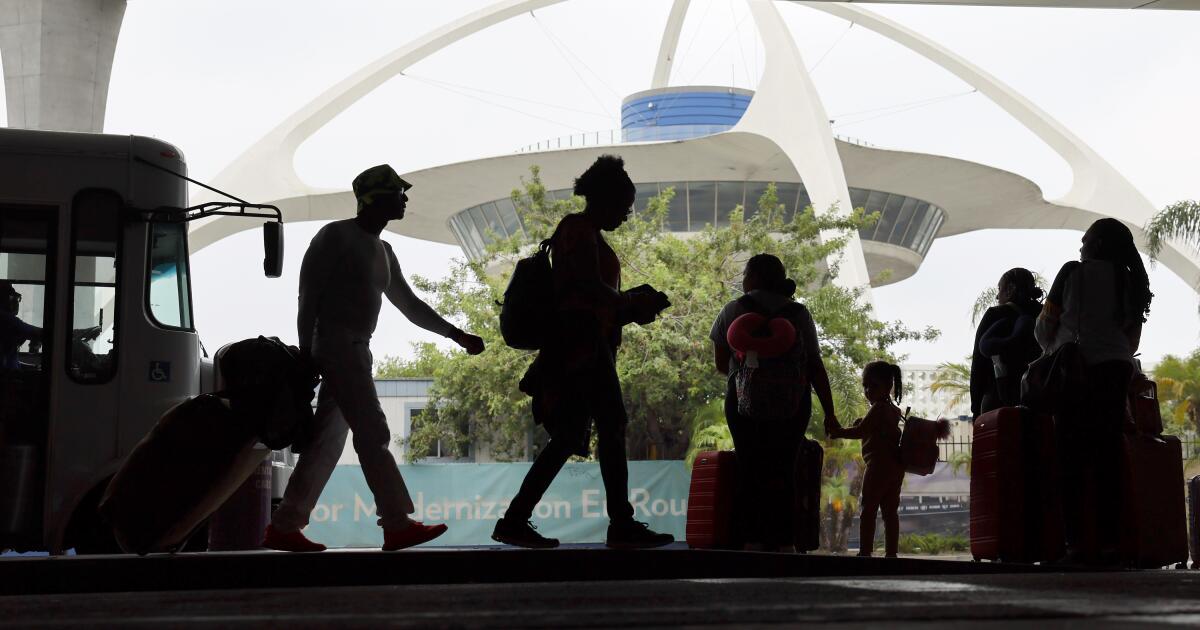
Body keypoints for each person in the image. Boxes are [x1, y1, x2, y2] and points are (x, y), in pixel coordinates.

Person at [263, 164, 486, 553]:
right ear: (376, 198)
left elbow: (409, 305)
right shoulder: (335, 236)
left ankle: (284, 526)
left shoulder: (384, 250)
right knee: (372, 431)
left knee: (328, 442)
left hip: (355, 349)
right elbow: (308, 298)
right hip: (335, 346)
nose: (405, 198)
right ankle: (397, 523)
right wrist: (305, 352)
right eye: (398, 192)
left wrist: (456, 334)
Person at [492, 155, 674, 550]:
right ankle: (620, 524)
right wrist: (631, 302)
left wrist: (630, 306)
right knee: (611, 426)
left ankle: (515, 519)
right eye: (623, 209)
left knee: (573, 435)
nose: (626, 217)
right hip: (582, 348)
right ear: (606, 200)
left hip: (583, 346)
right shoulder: (578, 230)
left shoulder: (584, 233)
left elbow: (590, 299)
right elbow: (585, 292)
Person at [1036, 218, 1152, 565]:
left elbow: (1045, 326)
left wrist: (1050, 348)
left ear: (1098, 244)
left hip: (1076, 369)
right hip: (1115, 370)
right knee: (1108, 455)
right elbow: (1132, 337)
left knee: (1069, 455)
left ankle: (1074, 543)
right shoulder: (1129, 280)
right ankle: (1110, 543)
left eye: (1086, 241)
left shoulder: (1072, 273)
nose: (1081, 247)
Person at [709, 254, 838, 552]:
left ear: (752, 277)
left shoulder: (732, 310)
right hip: (792, 405)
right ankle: (783, 541)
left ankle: (749, 539)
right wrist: (830, 413)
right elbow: (814, 366)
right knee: (784, 469)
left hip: (743, 404)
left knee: (749, 466)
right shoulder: (799, 314)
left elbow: (720, 363)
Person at [825, 361, 905, 558]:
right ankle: (891, 553)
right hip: (895, 467)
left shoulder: (878, 408)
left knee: (868, 508)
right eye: (865, 386)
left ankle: (865, 552)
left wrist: (838, 432)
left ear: (888, 387)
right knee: (890, 512)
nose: (868, 391)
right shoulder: (894, 410)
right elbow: (875, 429)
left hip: (878, 465)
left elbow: (861, 431)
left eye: (873, 386)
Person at [970, 268, 1044, 416]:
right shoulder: (1043, 314)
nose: (997, 296)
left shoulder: (995, 315)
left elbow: (979, 365)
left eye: (1000, 289)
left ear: (1010, 289)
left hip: (998, 399)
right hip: (1039, 398)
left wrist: (975, 408)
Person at [0, 281, 41, 370]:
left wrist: (33, 367)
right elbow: (37, 333)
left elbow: (11, 361)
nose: (16, 302)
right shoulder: (7, 319)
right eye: (12, 298)